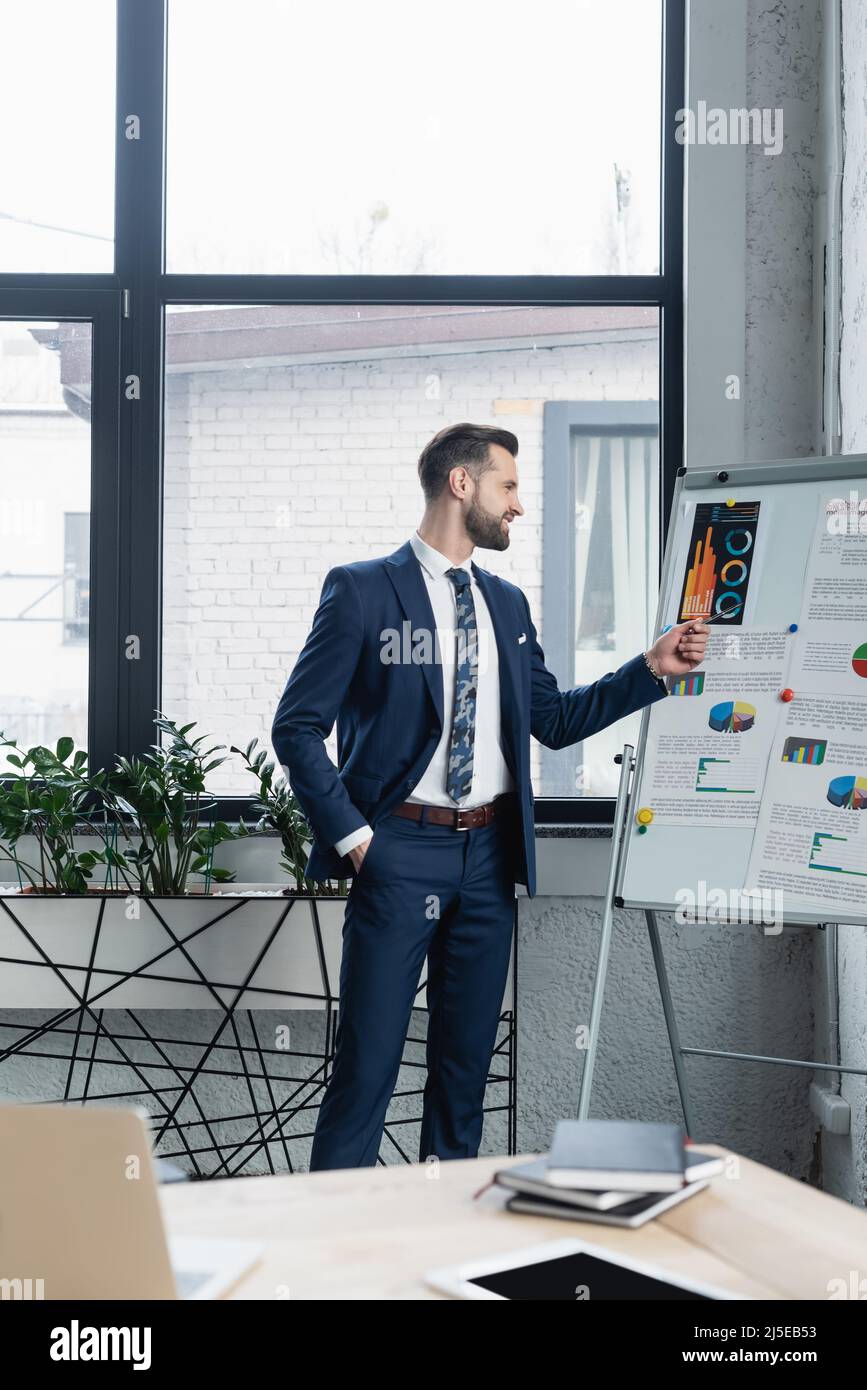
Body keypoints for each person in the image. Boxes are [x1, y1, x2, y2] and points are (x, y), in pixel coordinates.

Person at [271, 422, 708, 1170]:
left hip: (487, 858)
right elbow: (296, 727)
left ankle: (448, 1243)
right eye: (508, 486)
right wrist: (354, 837)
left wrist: (649, 667)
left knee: (464, 1071)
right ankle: (331, 1248)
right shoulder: (361, 591)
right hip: (397, 852)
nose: (519, 507)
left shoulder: (506, 606)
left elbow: (553, 722)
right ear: (461, 484)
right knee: (366, 1067)